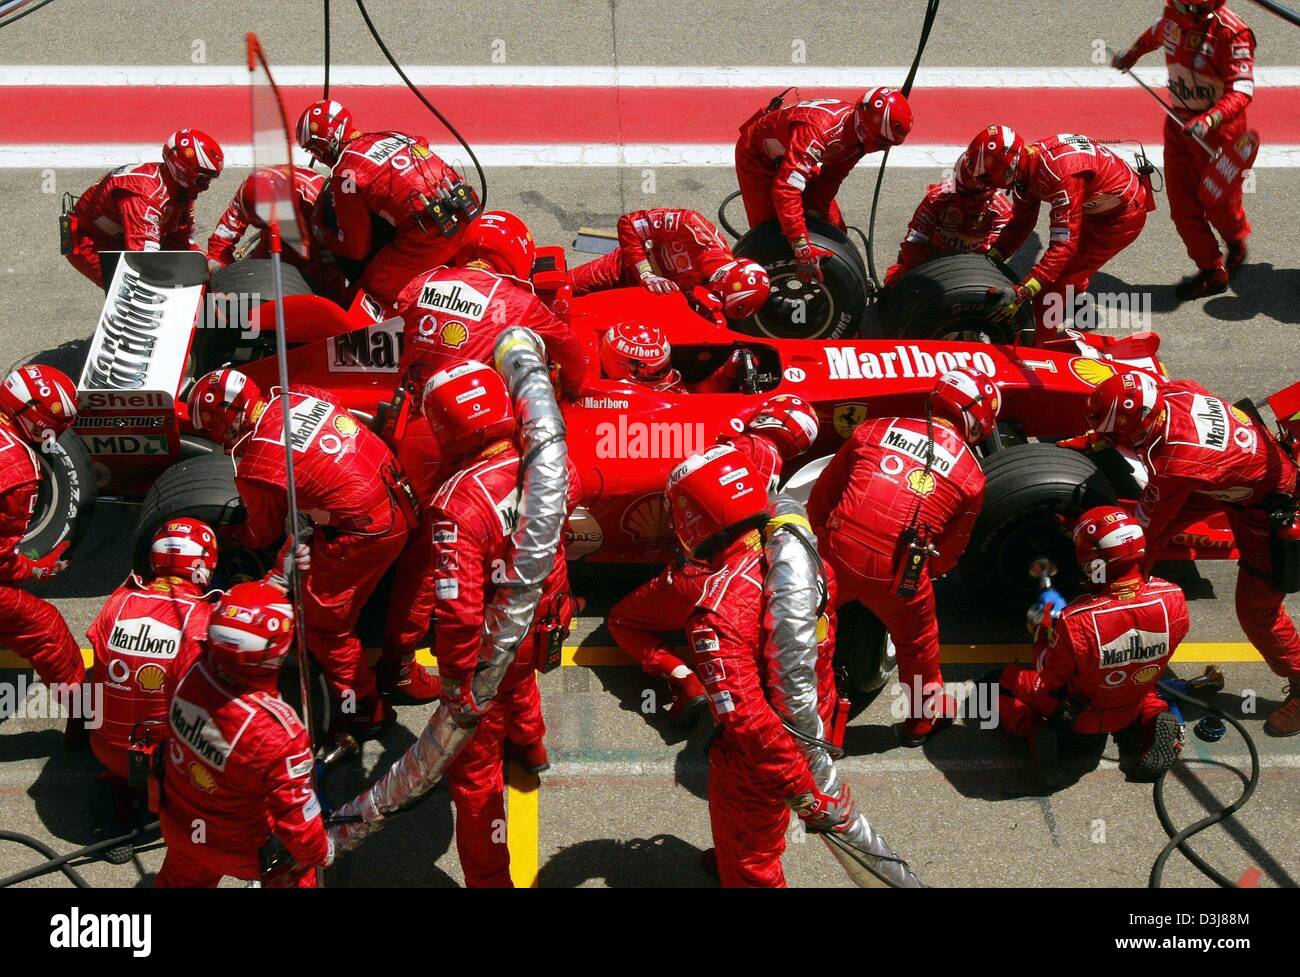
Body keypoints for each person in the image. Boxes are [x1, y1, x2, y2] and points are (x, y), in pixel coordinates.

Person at [409, 360, 574, 885]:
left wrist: (457, 683)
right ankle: (532, 746)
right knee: (521, 684)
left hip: (490, 646)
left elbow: (457, 611)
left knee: (476, 778)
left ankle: (490, 882)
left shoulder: (457, 504)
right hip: (543, 619)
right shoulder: (549, 463)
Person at [1067, 369, 1300, 735]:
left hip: (1268, 508)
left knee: (1257, 611)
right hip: (1230, 475)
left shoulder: (1177, 462)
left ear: (1141, 424)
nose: (1110, 440)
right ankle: (1123, 595)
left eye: (1115, 434)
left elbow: (1146, 523)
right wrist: (1087, 442)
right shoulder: (1174, 392)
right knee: (1149, 543)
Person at [188, 369, 418, 738]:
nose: (212, 435)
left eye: (210, 427)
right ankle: (394, 664)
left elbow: (259, 535)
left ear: (226, 420)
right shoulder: (297, 391)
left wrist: (227, 535)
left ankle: (363, 708)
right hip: (398, 485)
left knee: (321, 622)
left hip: (367, 529)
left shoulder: (256, 464)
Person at [665, 444, 842, 886]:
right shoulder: (802, 558)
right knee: (759, 832)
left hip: (761, 761)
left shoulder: (718, 611)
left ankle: (741, 861)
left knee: (751, 865)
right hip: (816, 724)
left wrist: (798, 787)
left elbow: (747, 720)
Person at [807, 367, 995, 745]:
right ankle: (922, 721)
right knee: (919, 642)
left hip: (838, 549)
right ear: (977, 422)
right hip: (899, 571)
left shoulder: (874, 428)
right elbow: (947, 557)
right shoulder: (973, 478)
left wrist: (826, 544)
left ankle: (786, 693)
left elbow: (821, 500)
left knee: (802, 622)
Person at [609, 396, 821, 725]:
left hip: (701, 571)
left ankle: (683, 680)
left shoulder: (740, 449)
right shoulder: (775, 463)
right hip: (745, 568)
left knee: (621, 621)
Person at [155, 579, 332, 887]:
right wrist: (321, 851)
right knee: (302, 869)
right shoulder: (280, 733)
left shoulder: (187, 661)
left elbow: (205, 614)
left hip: (179, 823)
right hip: (241, 848)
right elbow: (298, 824)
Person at [996, 506, 1188, 785]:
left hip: (1080, 715)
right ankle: (1151, 720)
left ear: (1093, 560)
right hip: (1132, 700)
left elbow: (1049, 679)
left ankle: (1034, 730)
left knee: (997, 684)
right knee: (1144, 684)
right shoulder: (1174, 597)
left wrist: (1041, 633)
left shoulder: (1076, 621)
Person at [1113, 0, 1256, 298]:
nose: (1182, 13)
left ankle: (1236, 238)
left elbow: (1242, 90)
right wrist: (1133, 54)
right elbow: (1155, 33)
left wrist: (1210, 119)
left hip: (1219, 134)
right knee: (1182, 207)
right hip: (1179, 126)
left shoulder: (1234, 32)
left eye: (1189, 8)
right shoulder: (1173, 18)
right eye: (1177, 4)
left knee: (1218, 204)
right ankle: (1212, 271)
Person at [86, 518, 218, 820]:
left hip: (103, 746)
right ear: (202, 565)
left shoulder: (119, 599)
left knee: (95, 674)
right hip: (166, 760)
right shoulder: (204, 616)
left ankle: (118, 786)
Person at [297, 99, 479, 308]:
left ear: (326, 141)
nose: (317, 159)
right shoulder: (393, 136)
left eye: (313, 150)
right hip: (467, 208)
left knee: (365, 296)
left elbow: (355, 248)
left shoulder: (346, 174)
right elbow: (421, 144)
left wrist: (320, 231)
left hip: (428, 236)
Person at [394, 210, 588, 403]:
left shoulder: (421, 282)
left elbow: (398, 309)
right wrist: (569, 389)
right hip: (469, 417)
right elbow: (571, 351)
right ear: (519, 256)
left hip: (408, 408)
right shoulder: (521, 303)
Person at [977, 127, 1154, 339]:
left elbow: (1063, 246)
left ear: (1008, 170)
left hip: (1120, 218)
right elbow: (1022, 222)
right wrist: (993, 255)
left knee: (1048, 291)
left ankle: (1040, 349)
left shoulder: (1058, 177)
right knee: (1068, 270)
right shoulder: (1025, 166)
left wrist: (1024, 291)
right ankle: (1076, 298)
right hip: (1095, 202)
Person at [735, 87, 912, 282]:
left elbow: (832, 177)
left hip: (794, 156)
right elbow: (786, 190)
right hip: (758, 161)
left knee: (834, 229)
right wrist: (801, 245)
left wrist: (814, 211)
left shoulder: (857, 134)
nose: (885, 149)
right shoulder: (820, 130)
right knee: (771, 241)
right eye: (883, 143)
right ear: (866, 129)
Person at [0, 366, 85, 732]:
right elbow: (2, 565)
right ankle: (87, 718)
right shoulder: (18, 471)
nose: (58, 434)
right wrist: (41, 569)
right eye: (57, 425)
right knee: (44, 627)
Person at [67, 129, 223, 287]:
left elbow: (180, 243)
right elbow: (145, 261)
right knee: (139, 289)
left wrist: (211, 265)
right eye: (203, 180)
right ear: (183, 171)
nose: (206, 188)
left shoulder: (181, 191)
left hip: (130, 236)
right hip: (93, 242)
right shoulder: (144, 194)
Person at [570, 208, 771, 320]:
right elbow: (629, 223)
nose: (714, 303)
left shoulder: (715, 297)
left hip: (649, 310)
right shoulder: (691, 225)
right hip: (621, 269)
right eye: (717, 296)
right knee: (557, 293)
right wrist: (646, 273)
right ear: (722, 279)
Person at [205, 165, 347, 299]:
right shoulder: (246, 193)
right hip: (271, 245)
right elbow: (221, 241)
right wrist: (227, 277)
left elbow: (341, 248)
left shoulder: (314, 195)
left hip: (319, 252)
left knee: (334, 303)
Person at [883, 149, 1016, 286]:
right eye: (958, 187)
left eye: (968, 194)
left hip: (972, 269)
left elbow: (995, 258)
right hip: (929, 261)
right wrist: (924, 275)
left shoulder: (1001, 211)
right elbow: (914, 241)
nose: (964, 201)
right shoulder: (937, 198)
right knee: (896, 284)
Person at [597, 321, 754, 393]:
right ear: (623, 368)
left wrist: (726, 373)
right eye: (655, 372)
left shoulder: (662, 385)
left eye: (664, 366)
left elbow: (694, 395)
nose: (665, 375)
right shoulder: (612, 399)